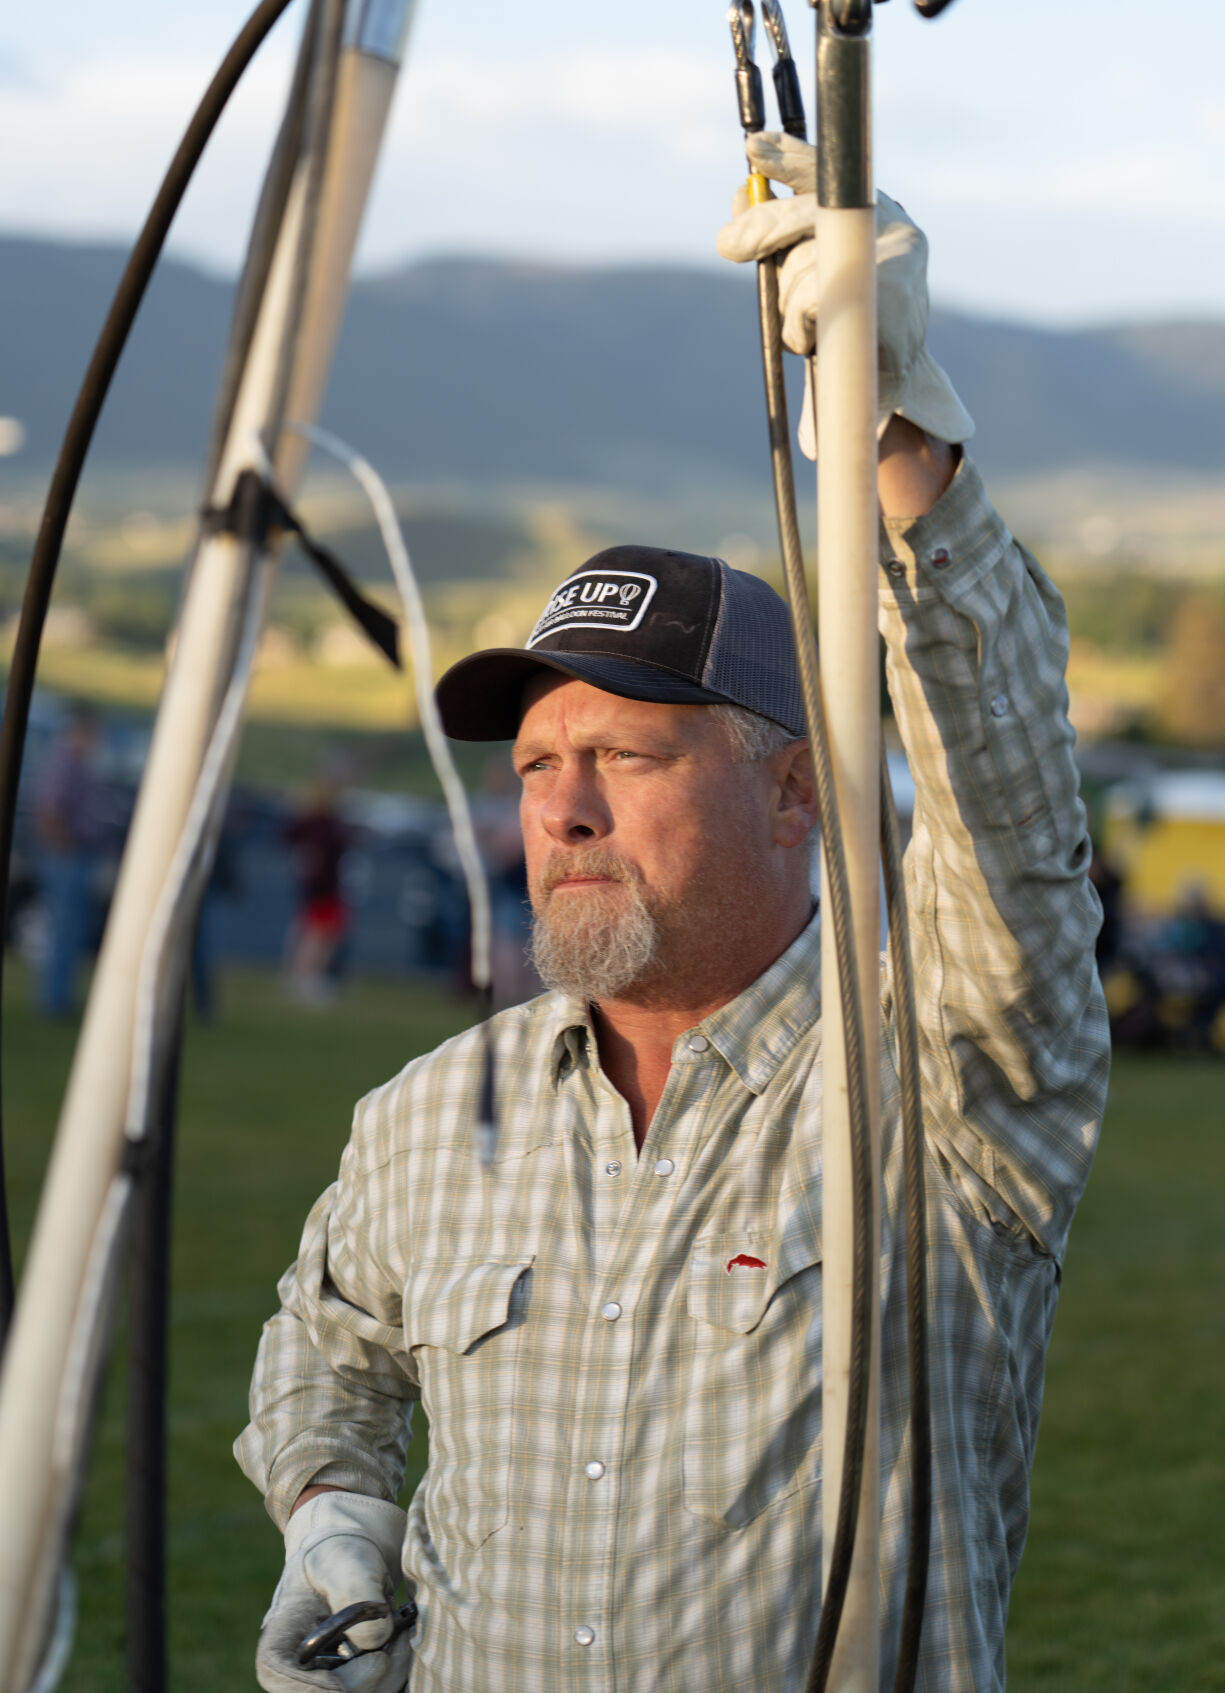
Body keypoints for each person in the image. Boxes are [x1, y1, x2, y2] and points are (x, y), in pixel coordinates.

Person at [236, 137, 1109, 1693]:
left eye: (627, 757)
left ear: (795, 795)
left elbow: (1009, 818)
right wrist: (333, 1515)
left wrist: (897, 429)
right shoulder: (433, 1116)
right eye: (536, 767)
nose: (561, 808)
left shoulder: (942, 1087)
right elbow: (329, 1339)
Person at [32, 705, 104, 1017]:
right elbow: (49, 811)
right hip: (67, 857)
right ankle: (54, 1000)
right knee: (64, 928)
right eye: (91, 733)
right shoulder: (65, 764)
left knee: (72, 930)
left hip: (76, 854)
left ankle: (60, 998)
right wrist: (65, 848)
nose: (96, 740)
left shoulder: (79, 765)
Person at [283, 778, 352, 1005]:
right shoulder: (318, 825)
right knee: (317, 935)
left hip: (324, 885)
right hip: (321, 886)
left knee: (320, 933)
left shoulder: (317, 823)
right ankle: (306, 978)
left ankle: (307, 976)